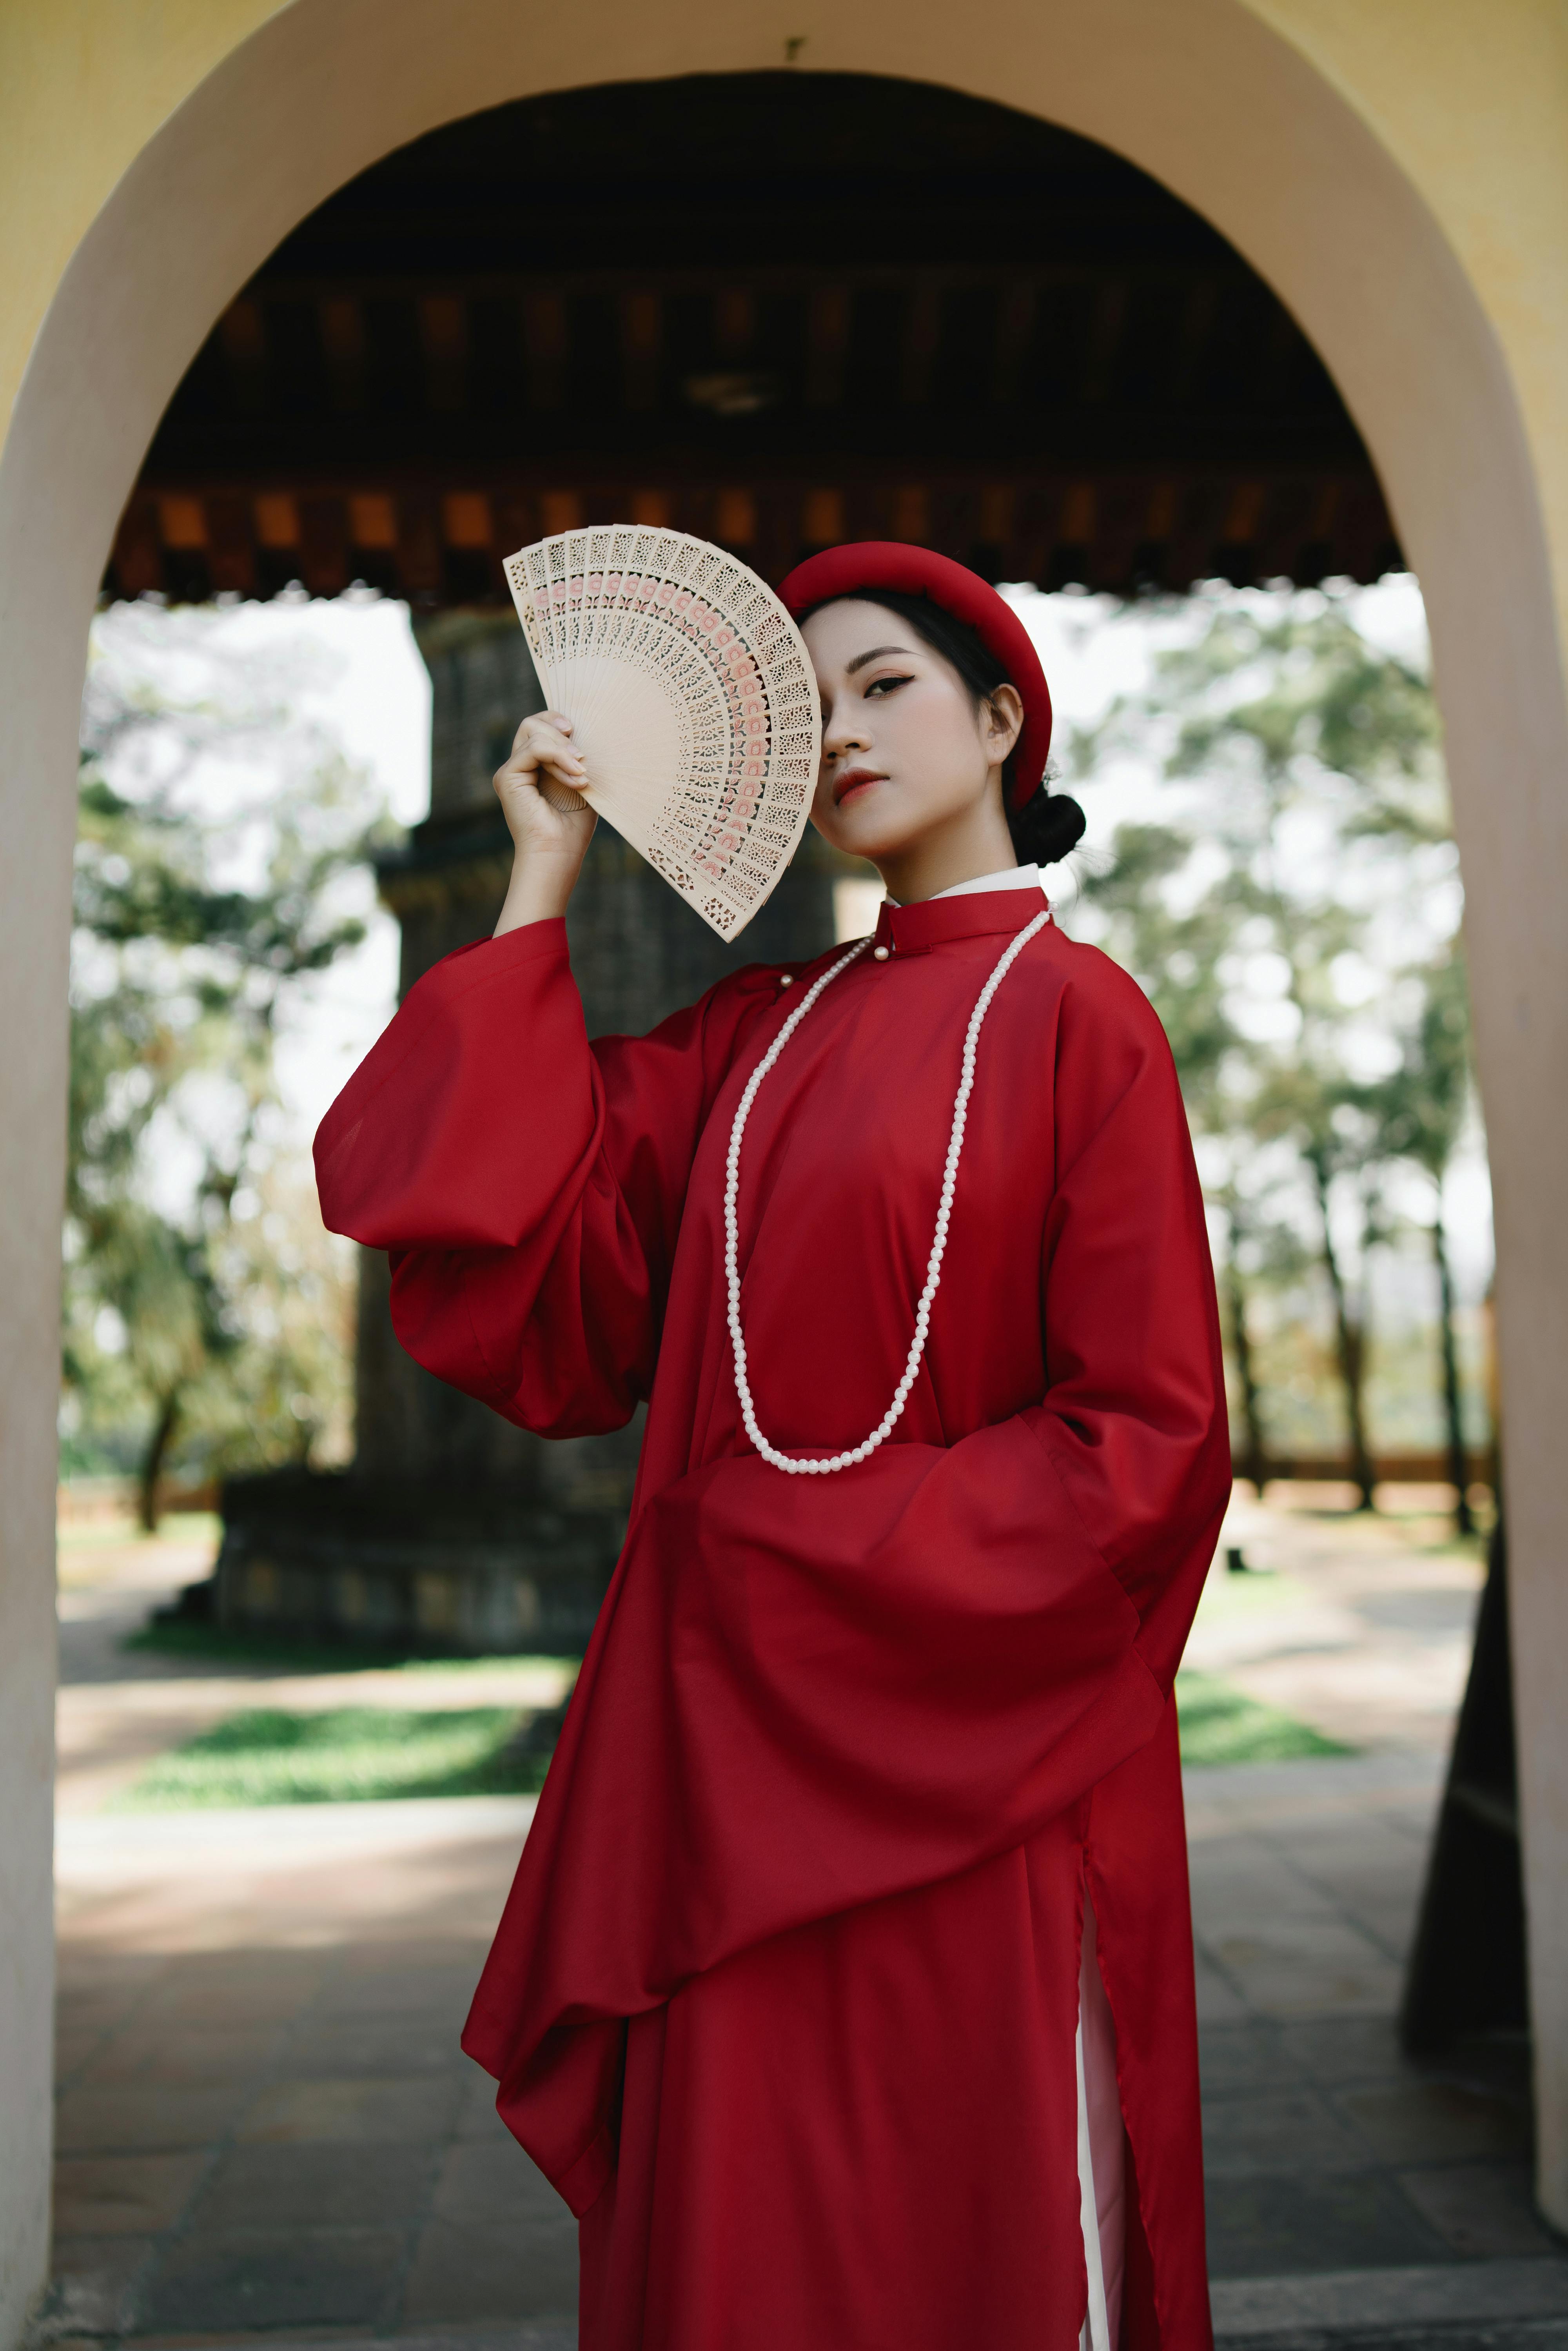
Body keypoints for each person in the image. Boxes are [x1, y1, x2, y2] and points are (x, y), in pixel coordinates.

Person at [315, 542, 1230, 2351]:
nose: (837, 732)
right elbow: (530, 1270)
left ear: (998, 719)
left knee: (969, 2254)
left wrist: (796, 1577)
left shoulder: (1081, 1022)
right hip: (722, 1789)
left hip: (969, 1777)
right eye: (803, 709)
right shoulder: (747, 1036)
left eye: (882, 686)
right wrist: (543, 882)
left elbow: (1147, 1447)